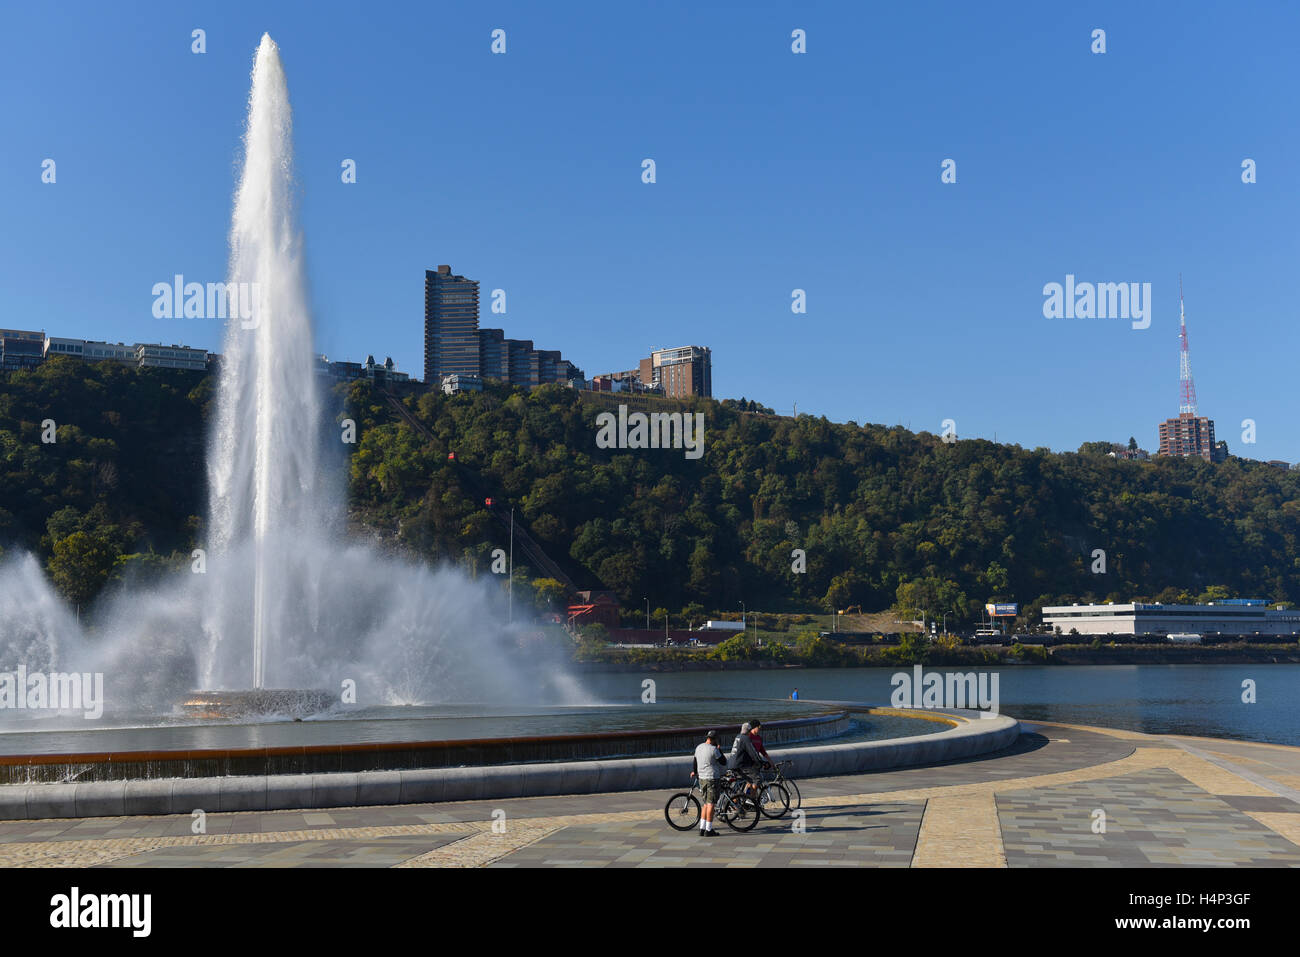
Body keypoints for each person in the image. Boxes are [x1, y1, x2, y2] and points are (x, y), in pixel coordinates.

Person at [691, 730, 726, 836]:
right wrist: (720, 750)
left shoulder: (699, 747)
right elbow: (723, 762)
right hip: (711, 778)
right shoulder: (714, 749)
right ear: (715, 739)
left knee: (706, 803)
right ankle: (709, 829)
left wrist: (695, 772)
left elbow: (695, 761)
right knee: (711, 804)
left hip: (702, 778)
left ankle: (702, 828)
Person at [728, 721, 764, 801]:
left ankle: (736, 803)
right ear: (748, 731)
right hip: (740, 765)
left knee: (744, 784)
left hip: (732, 764)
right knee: (758, 779)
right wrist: (760, 762)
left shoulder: (738, 737)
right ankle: (752, 801)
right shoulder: (746, 738)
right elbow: (753, 752)